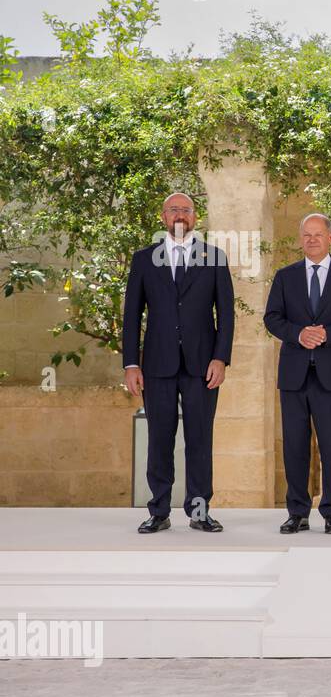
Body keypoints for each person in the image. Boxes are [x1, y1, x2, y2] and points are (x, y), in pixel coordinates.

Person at [123, 192, 234, 534]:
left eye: (185, 209)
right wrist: (131, 363)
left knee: (200, 438)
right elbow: (132, 315)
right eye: (173, 209)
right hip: (157, 364)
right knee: (159, 438)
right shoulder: (144, 260)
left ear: (195, 216)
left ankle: (199, 512)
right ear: (163, 217)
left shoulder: (214, 258)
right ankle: (158, 511)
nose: (179, 215)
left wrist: (221, 358)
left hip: (203, 366)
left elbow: (226, 314)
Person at [263, 213, 331, 535]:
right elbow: (272, 318)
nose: (312, 240)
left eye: (318, 234)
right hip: (294, 374)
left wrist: (327, 334)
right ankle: (297, 512)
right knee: (294, 444)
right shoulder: (285, 277)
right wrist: (298, 334)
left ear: (330, 238)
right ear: (300, 239)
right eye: (306, 235)